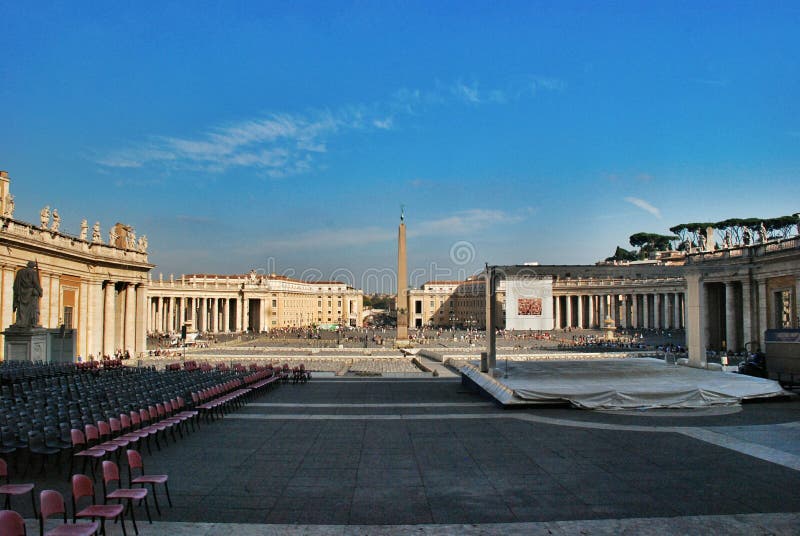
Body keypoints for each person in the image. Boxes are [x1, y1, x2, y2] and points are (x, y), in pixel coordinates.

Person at [12, 261, 42, 328]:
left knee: (21, 309)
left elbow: (16, 283)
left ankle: (20, 321)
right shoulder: (33, 272)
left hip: (21, 293)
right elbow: (36, 283)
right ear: (33, 266)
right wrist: (40, 291)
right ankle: (31, 322)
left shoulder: (20, 272)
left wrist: (17, 292)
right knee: (31, 309)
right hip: (30, 294)